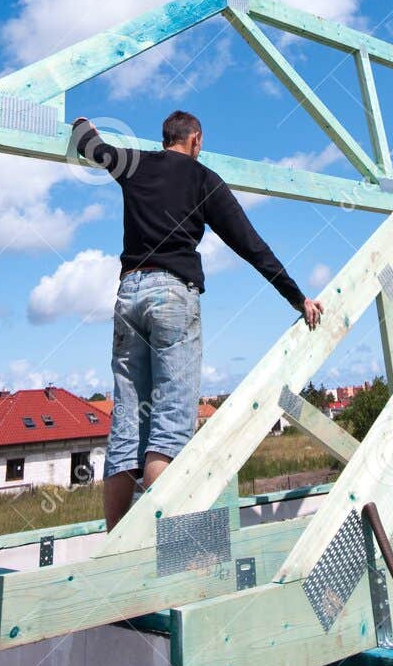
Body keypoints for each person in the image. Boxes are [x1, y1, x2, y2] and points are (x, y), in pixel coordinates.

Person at [71, 109, 324, 529]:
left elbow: (89, 147)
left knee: (127, 428)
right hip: (173, 295)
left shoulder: (134, 163)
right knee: (169, 428)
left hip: (129, 293)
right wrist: (296, 297)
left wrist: (85, 126)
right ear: (196, 140)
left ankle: (113, 552)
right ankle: (160, 549)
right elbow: (250, 245)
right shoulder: (203, 179)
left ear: (165, 137)